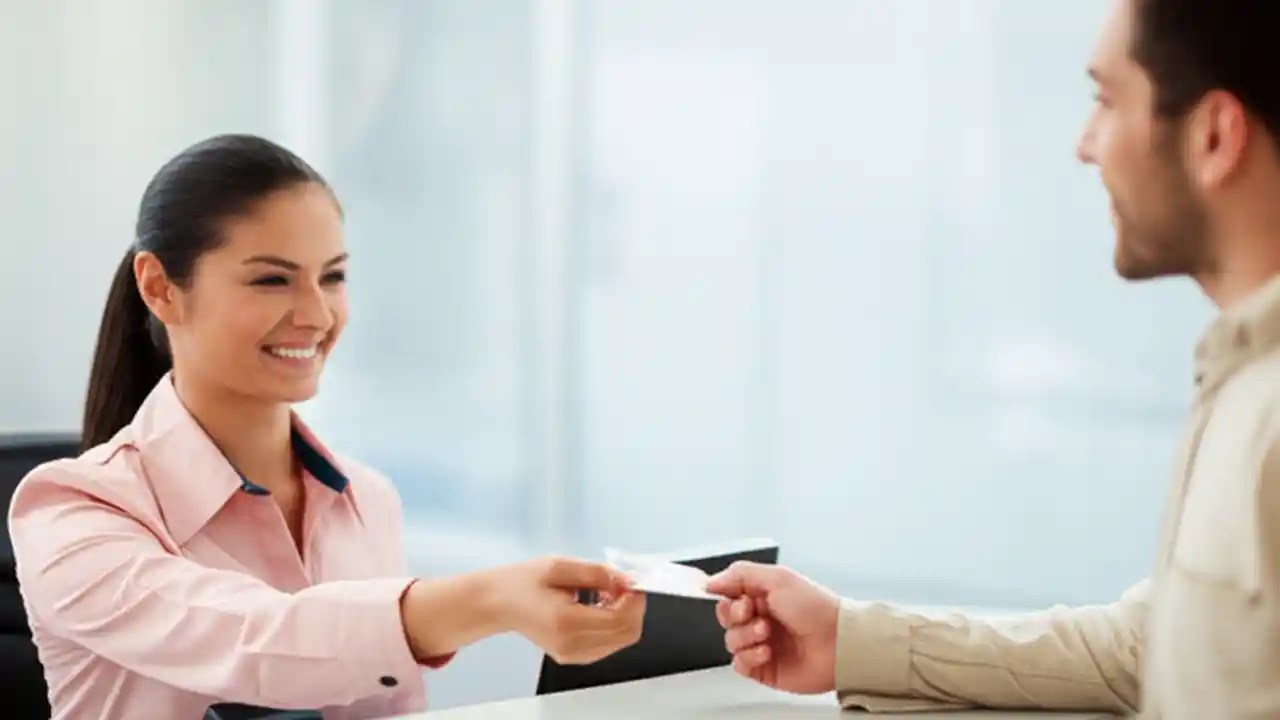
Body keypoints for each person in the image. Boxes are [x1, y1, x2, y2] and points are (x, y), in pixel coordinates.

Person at [708, 0, 1280, 717]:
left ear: (1215, 136)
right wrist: (853, 638)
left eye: (1106, 101)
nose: (1085, 143)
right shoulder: (1242, 380)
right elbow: (1149, 648)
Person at [8, 134, 645, 720]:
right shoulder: (71, 511)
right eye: (271, 279)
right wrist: (490, 600)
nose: (315, 314)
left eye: (333, 277)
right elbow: (260, 643)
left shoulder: (366, 501)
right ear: (161, 288)